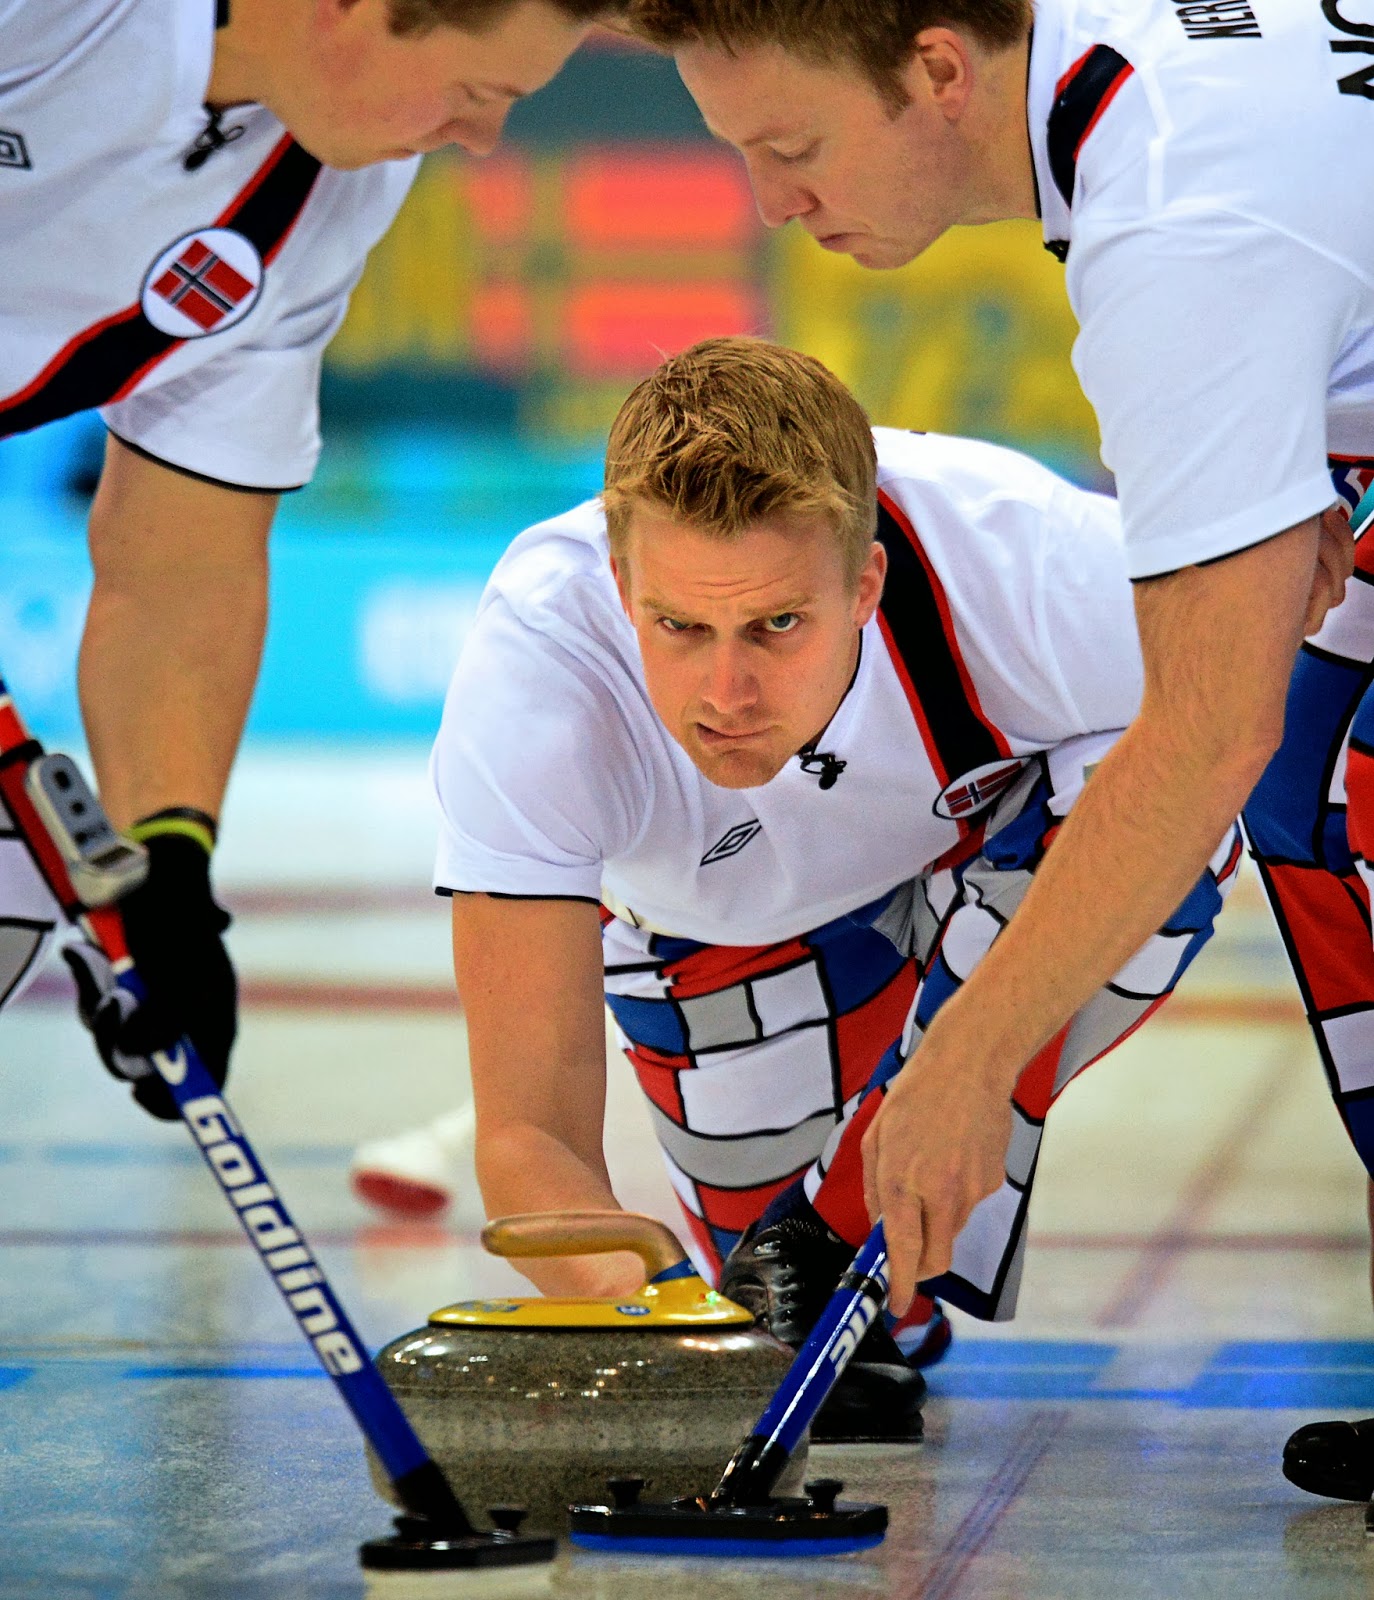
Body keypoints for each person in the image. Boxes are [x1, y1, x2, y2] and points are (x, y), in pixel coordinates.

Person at [627, 0, 1374, 1495]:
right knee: (1317, 744)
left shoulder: (1176, 217)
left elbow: (1196, 731)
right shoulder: (1139, 78)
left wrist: (959, 1070)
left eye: (792, 147)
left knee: (1319, 766)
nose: (772, 202)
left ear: (938, 72)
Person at [411, 334, 1239, 1439]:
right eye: (681, 628)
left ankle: (846, 1217)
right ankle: (869, 1272)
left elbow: (1230, 728)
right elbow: (529, 1133)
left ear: (865, 582)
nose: (727, 690)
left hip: (1006, 853)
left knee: (1179, 820)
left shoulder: (1033, 560)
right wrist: (659, 1331)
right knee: (796, 1336)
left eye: (777, 625)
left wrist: (972, 1063)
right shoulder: (534, 679)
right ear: (620, 585)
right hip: (717, 942)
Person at [0, 0, 616, 1114]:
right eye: (477, 94)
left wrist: (168, 866)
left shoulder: (334, 190)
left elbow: (178, 565)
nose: (478, 141)